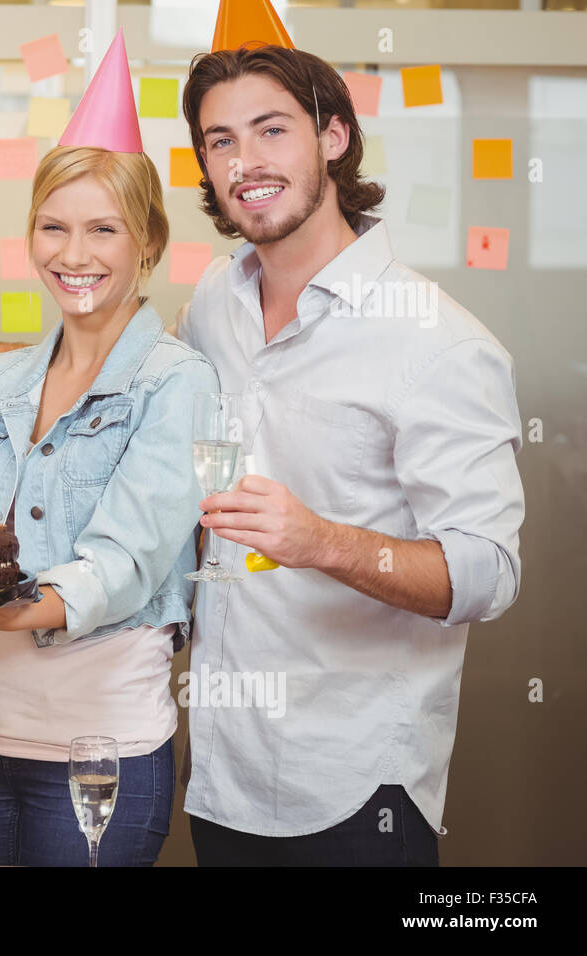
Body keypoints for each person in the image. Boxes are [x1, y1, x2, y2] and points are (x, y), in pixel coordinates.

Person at [170, 44, 523, 866]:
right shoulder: (214, 303)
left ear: (333, 137)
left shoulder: (438, 342)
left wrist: (319, 540)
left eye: (271, 130)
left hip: (358, 789)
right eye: (219, 141)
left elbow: (489, 573)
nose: (245, 162)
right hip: (221, 773)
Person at [0, 35, 218, 866]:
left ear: (147, 241)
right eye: (54, 227)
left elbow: (128, 564)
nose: (74, 256)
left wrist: (5, 605)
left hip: (99, 748)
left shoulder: (176, 384)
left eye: (102, 230)